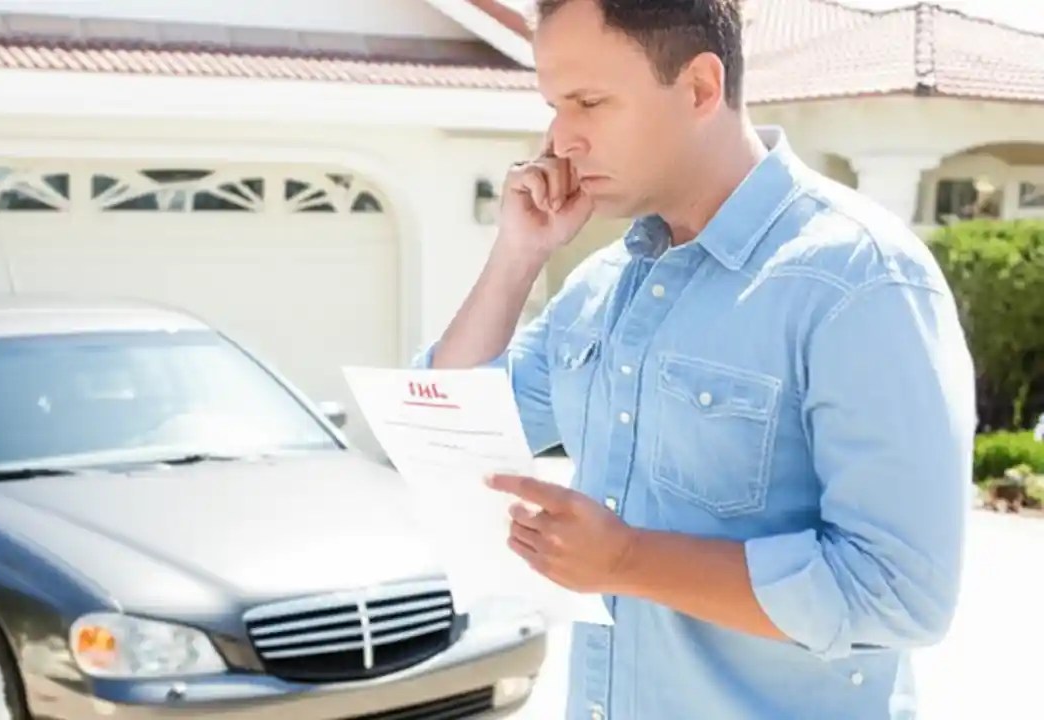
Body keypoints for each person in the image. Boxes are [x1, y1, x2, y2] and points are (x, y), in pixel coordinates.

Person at [413, 0, 977, 718]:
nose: (561, 139)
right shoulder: (601, 286)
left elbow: (898, 593)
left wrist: (625, 561)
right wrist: (517, 256)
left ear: (701, 88)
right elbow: (439, 434)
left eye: (589, 102)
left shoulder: (858, 278)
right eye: (555, 105)